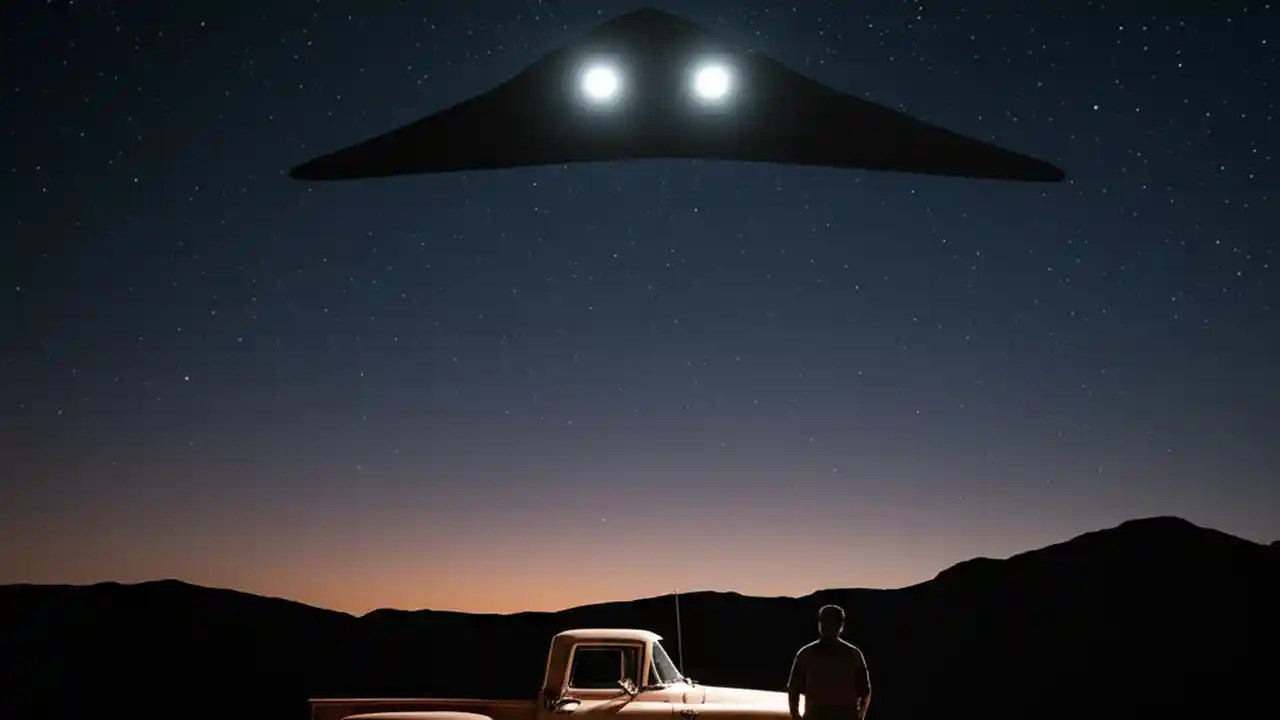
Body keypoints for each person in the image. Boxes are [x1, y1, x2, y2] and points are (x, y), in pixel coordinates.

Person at [787, 604, 872, 720]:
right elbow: (865, 691)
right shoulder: (853, 654)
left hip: (828, 714)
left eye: (830, 622)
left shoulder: (806, 654)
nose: (827, 626)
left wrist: (795, 714)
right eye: (825, 621)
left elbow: (865, 691)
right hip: (824, 714)